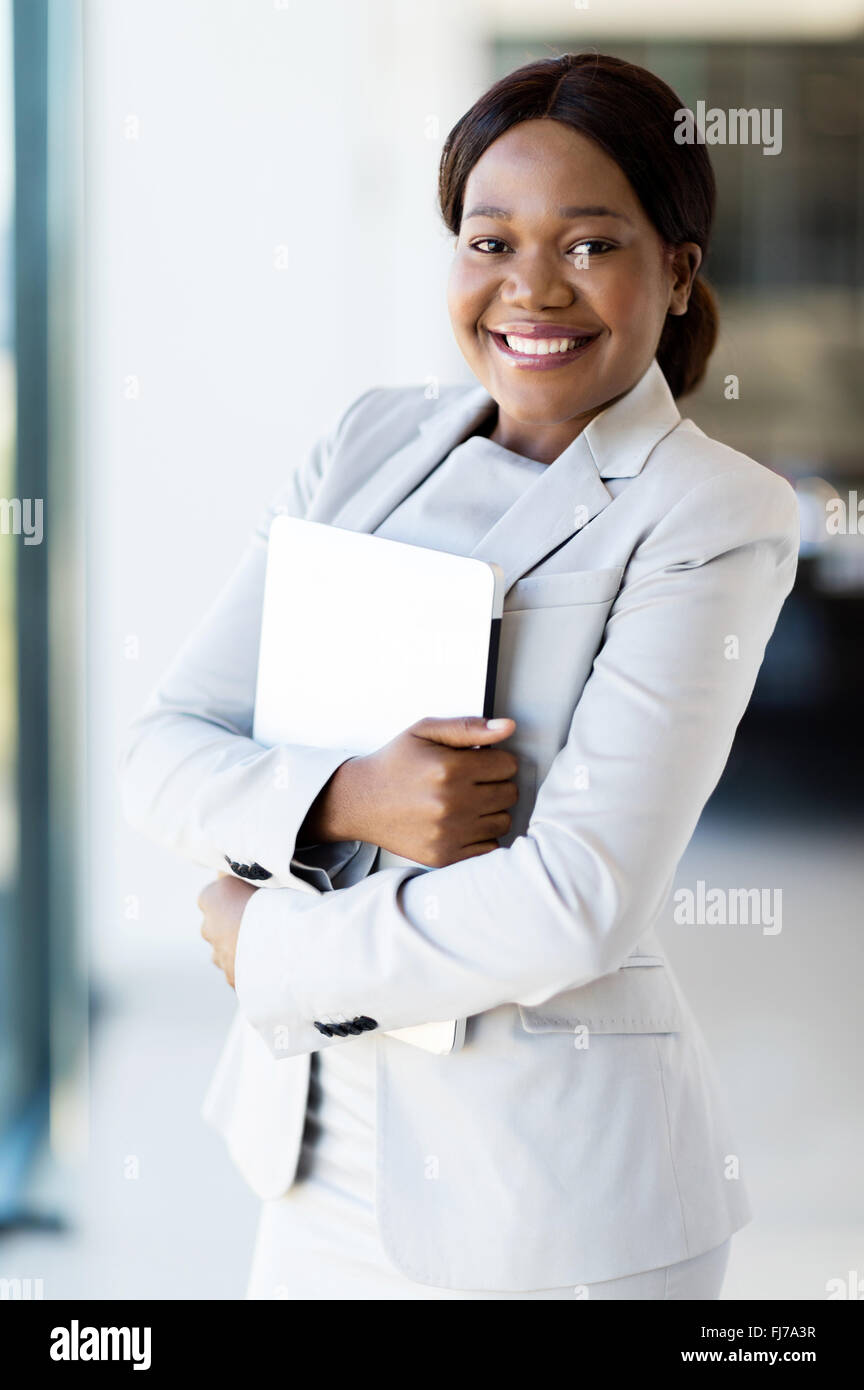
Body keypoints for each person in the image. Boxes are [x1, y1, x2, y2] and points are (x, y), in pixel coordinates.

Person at [118, 52, 800, 1299]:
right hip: (316, 1143)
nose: (530, 286)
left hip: (555, 1186)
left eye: (589, 244)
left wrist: (274, 939)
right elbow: (162, 745)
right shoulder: (367, 440)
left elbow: (574, 899)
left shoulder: (712, 512)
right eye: (489, 239)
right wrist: (347, 797)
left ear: (677, 269)